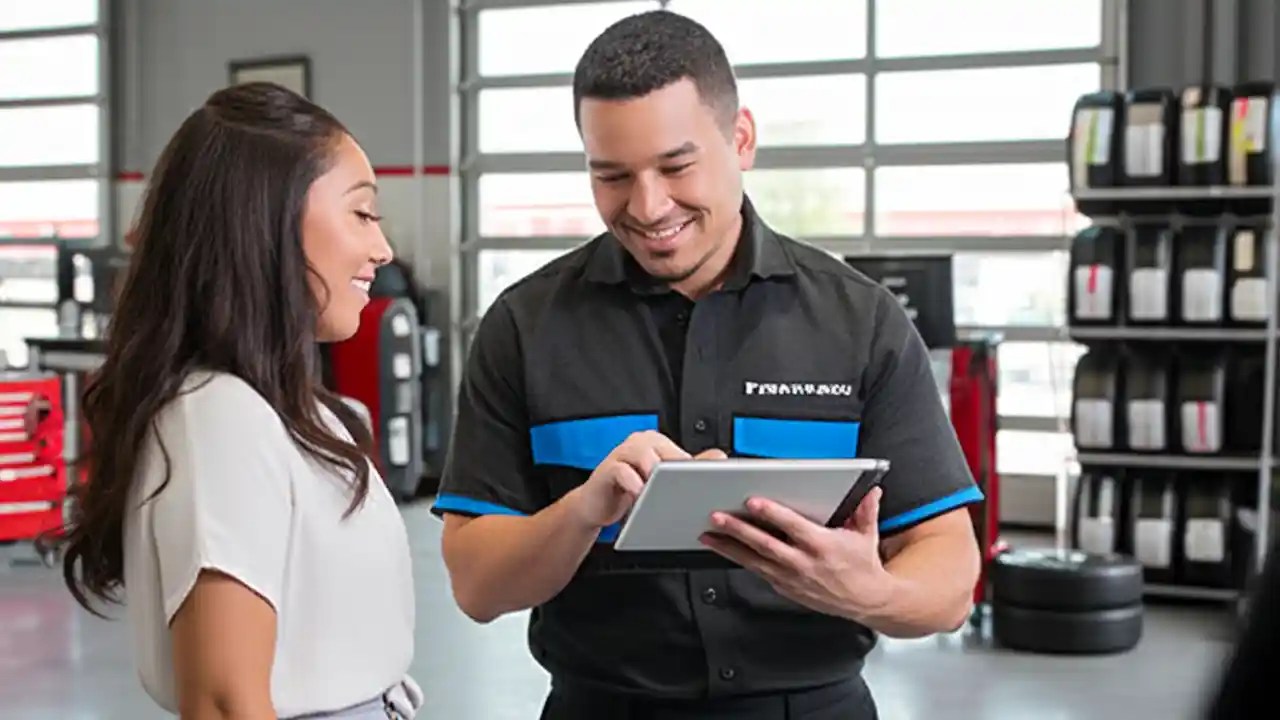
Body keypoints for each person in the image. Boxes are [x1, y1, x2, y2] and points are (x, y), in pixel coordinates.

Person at [432, 10, 982, 720]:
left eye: (676, 165)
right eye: (612, 175)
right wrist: (582, 511)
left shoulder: (861, 322)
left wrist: (865, 591)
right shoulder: (523, 327)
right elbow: (477, 586)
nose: (648, 206)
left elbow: (951, 575)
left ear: (741, 138)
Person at [59, 82, 422, 720]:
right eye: (362, 214)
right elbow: (225, 702)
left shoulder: (279, 411)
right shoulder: (218, 417)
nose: (382, 249)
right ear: (269, 224)